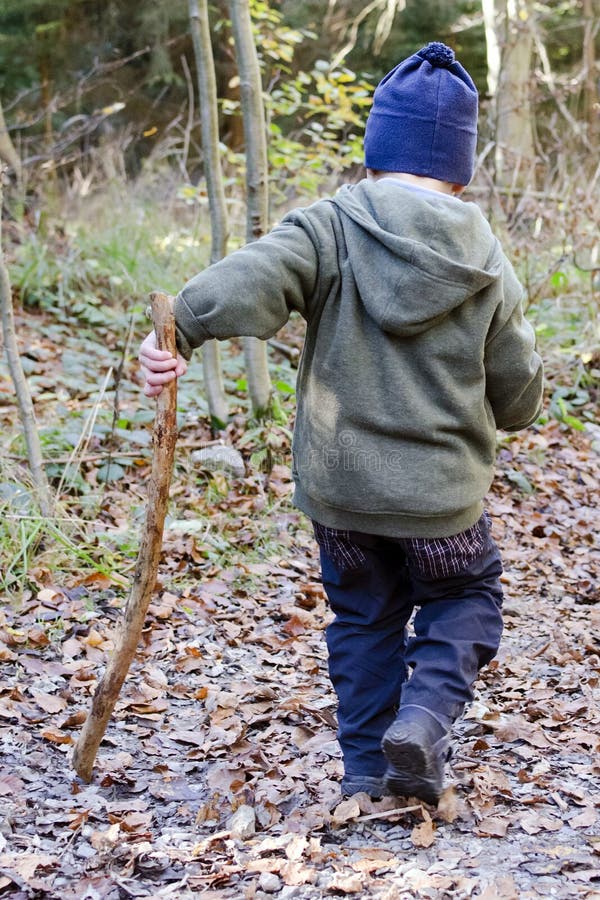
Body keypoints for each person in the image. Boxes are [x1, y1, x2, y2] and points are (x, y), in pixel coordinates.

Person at [139, 42, 543, 805]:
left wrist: (178, 333)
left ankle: (366, 771)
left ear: (373, 153)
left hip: (343, 492)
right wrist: (513, 402)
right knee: (468, 597)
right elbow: (517, 392)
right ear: (460, 171)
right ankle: (421, 722)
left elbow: (247, 277)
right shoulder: (486, 256)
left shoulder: (330, 226)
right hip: (440, 499)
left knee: (364, 618)